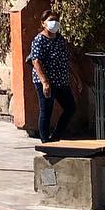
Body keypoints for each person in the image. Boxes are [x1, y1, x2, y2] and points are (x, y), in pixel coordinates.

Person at [30, 15, 81, 143]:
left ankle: (56, 136)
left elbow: (67, 60)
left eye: (56, 20)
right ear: (43, 23)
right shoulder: (39, 40)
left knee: (70, 107)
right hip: (46, 81)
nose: (55, 23)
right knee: (46, 110)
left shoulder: (60, 39)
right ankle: (45, 142)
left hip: (61, 81)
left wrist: (76, 77)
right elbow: (36, 61)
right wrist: (45, 82)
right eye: (51, 20)